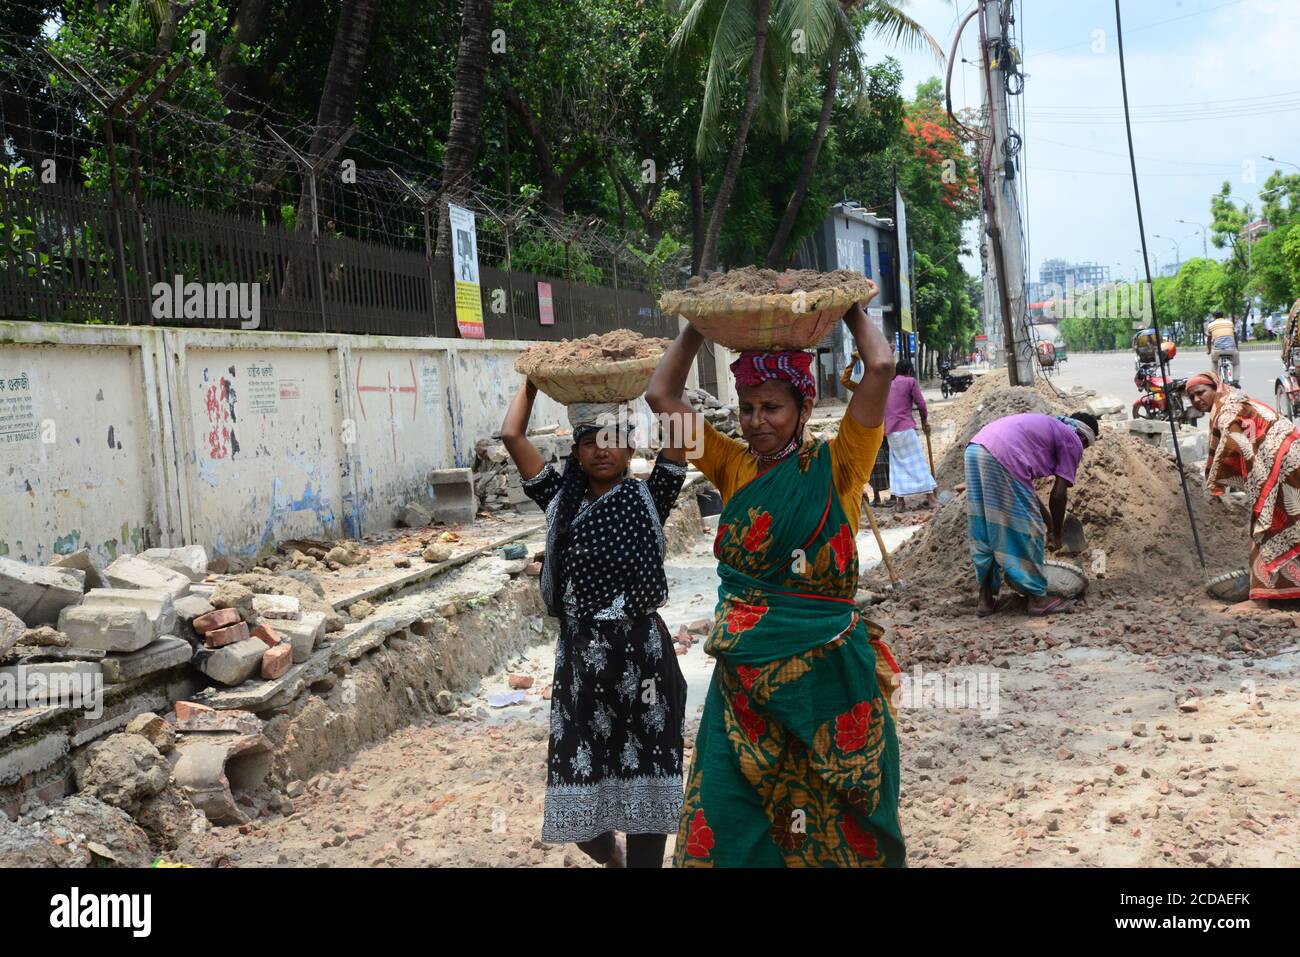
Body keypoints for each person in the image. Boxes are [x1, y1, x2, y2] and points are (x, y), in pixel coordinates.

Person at [647, 301, 905, 868]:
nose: (758, 421)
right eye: (747, 409)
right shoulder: (731, 465)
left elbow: (880, 368)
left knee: (837, 814)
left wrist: (851, 307)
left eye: (773, 408)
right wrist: (699, 323)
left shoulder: (841, 464)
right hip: (745, 687)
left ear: (805, 407)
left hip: (826, 681)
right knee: (730, 809)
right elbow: (661, 397)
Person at [500, 381, 689, 868]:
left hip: (643, 658)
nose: (602, 451)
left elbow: (682, 430)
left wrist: (660, 389)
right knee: (582, 809)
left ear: (629, 446)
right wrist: (532, 384)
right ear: (577, 451)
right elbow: (511, 436)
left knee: (648, 786)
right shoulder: (560, 502)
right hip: (582, 664)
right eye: (590, 442)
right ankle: (614, 858)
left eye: (612, 440)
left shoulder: (652, 497)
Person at [965, 411, 1100, 617]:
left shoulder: (1048, 427)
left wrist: (1049, 522)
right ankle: (1038, 600)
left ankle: (985, 599)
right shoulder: (1073, 438)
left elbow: (1024, 489)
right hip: (1002, 455)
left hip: (976, 449)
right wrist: (1056, 532)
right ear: (1084, 438)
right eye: (1086, 447)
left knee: (984, 526)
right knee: (1027, 529)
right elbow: (1058, 495)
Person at [1186, 371, 1300, 605]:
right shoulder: (1230, 401)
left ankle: (1265, 597)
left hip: (1283, 465)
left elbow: (1239, 444)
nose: (1197, 400)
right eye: (1192, 397)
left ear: (1214, 388)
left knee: (1271, 524)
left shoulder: (1226, 411)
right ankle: (1279, 592)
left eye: (1200, 393)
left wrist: (1248, 485)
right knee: (1287, 521)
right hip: (1284, 460)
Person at [885, 358, 938, 510]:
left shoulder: (888, 384)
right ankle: (931, 499)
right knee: (918, 463)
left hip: (891, 431)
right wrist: (924, 421)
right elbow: (921, 404)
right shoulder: (910, 382)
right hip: (905, 428)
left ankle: (901, 503)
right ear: (909, 371)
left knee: (897, 465)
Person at [842, 350, 887, 506]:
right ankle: (869, 496)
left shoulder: (881, 389)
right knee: (868, 467)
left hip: (875, 432)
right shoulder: (861, 389)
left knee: (879, 465)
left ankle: (888, 496)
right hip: (859, 431)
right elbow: (844, 380)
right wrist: (852, 363)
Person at [1205, 310, 1240, 386]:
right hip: (1231, 349)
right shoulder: (1230, 323)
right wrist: (1236, 347)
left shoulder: (1210, 325)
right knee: (1236, 363)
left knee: (1214, 362)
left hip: (1217, 350)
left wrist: (1209, 350)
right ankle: (1236, 381)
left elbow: (1208, 340)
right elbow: (1235, 336)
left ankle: (1215, 381)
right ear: (1223, 316)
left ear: (1214, 317)